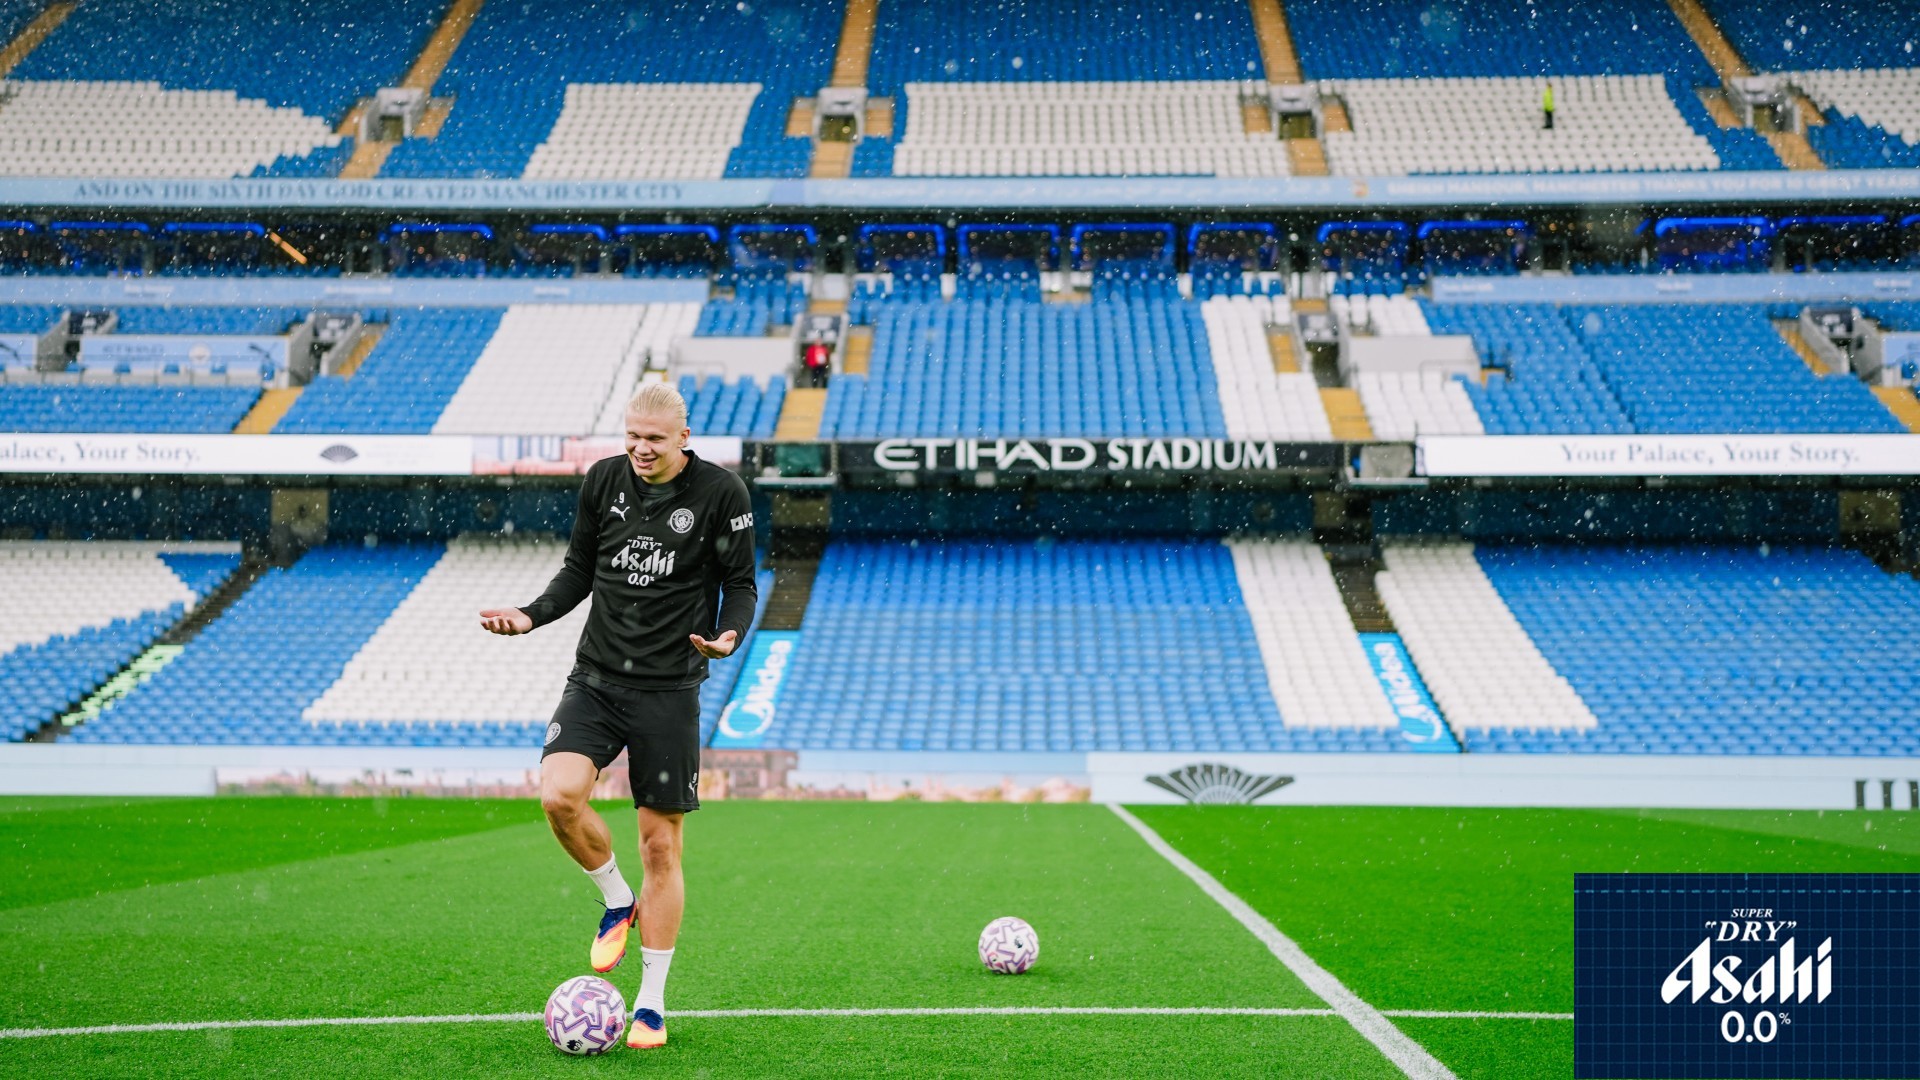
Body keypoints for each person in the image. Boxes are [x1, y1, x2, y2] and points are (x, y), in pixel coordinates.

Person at [479, 380, 758, 1051]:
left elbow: (742, 584)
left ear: (683, 439)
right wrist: (530, 615)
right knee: (558, 797)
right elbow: (579, 569)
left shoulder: (722, 495)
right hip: (596, 681)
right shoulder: (604, 481)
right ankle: (613, 897)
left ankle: (652, 1005)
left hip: (668, 693)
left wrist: (727, 636)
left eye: (654, 439)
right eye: (632, 435)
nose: (639, 448)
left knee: (661, 846)